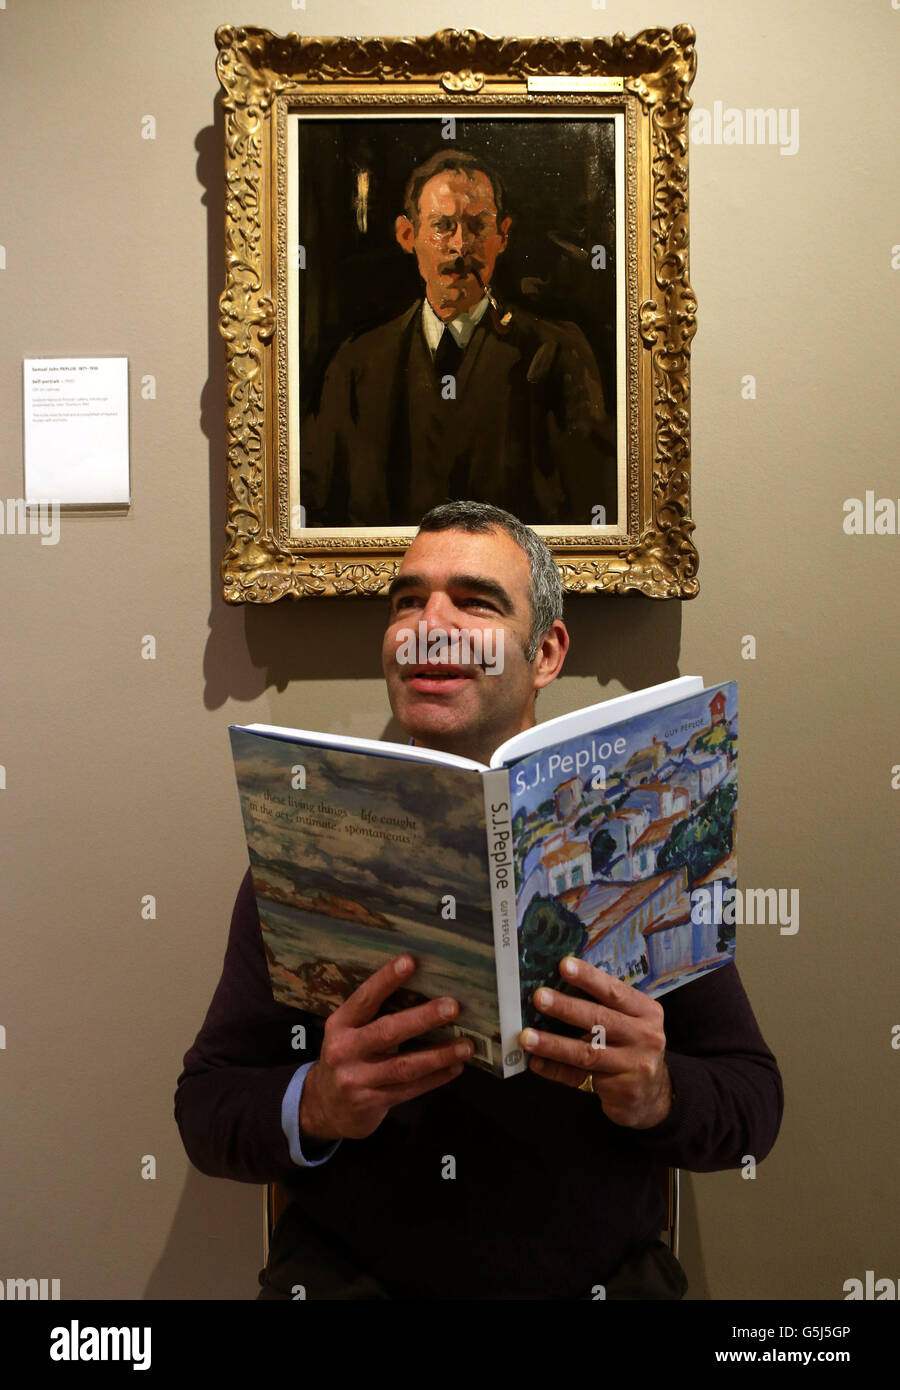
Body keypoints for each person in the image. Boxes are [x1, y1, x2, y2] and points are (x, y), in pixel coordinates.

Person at [174, 500, 783, 1300]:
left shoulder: (649, 843)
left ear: (546, 651)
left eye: (475, 601)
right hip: (357, 1283)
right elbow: (207, 1107)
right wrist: (316, 1103)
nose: (430, 624)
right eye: (406, 600)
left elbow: (754, 1104)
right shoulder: (312, 846)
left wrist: (661, 1090)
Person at [299, 150, 617, 529]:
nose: (460, 245)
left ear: (503, 236)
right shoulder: (356, 365)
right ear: (407, 235)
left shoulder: (556, 353)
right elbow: (317, 511)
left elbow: (595, 505)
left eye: (478, 226)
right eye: (442, 225)